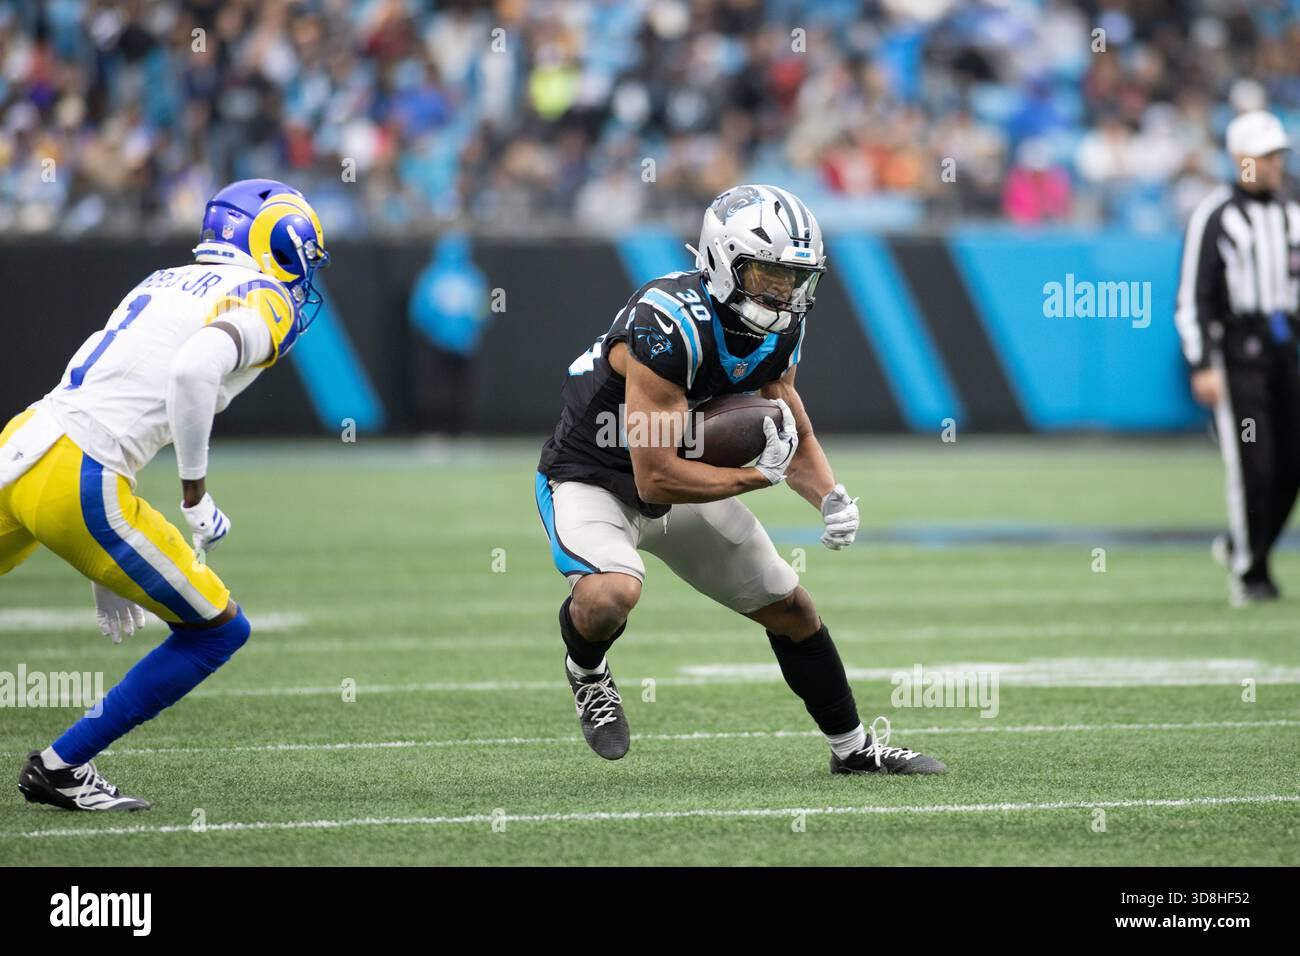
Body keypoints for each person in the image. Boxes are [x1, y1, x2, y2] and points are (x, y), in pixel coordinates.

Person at [535, 184, 945, 774]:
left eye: (795, 277)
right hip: (594, 476)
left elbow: (786, 418)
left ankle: (854, 751)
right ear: (723, 261)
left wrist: (829, 495)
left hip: (683, 474)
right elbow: (654, 480)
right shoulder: (665, 324)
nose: (784, 291)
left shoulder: (780, 328)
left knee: (791, 607)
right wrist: (754, 478)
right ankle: (587, 668)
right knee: (612, 594)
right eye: (770, 274)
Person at [1, 179, 329, 809]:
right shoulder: (264, 297)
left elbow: (120, 391)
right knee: (217, 631)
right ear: (274, 239)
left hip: (23, 442)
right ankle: (60, 766)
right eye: (302, 255)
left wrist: (102, 562)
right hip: (81, 478)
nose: (302, 276)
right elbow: (192, 369)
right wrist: (194, 493)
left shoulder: (158, 280)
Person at [1176, 111, 1300, 605]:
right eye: (1266, 156)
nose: (1275, 165)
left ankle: (1244, 545)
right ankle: (1252, 573)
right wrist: (1202, 361)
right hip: (1238, 351)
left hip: (1284, 347)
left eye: (1278, 156)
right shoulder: (1217, 214)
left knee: (1292, 460)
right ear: (1241, 160)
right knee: (1255, 462)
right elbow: (1193, 297)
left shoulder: (1292, 211)